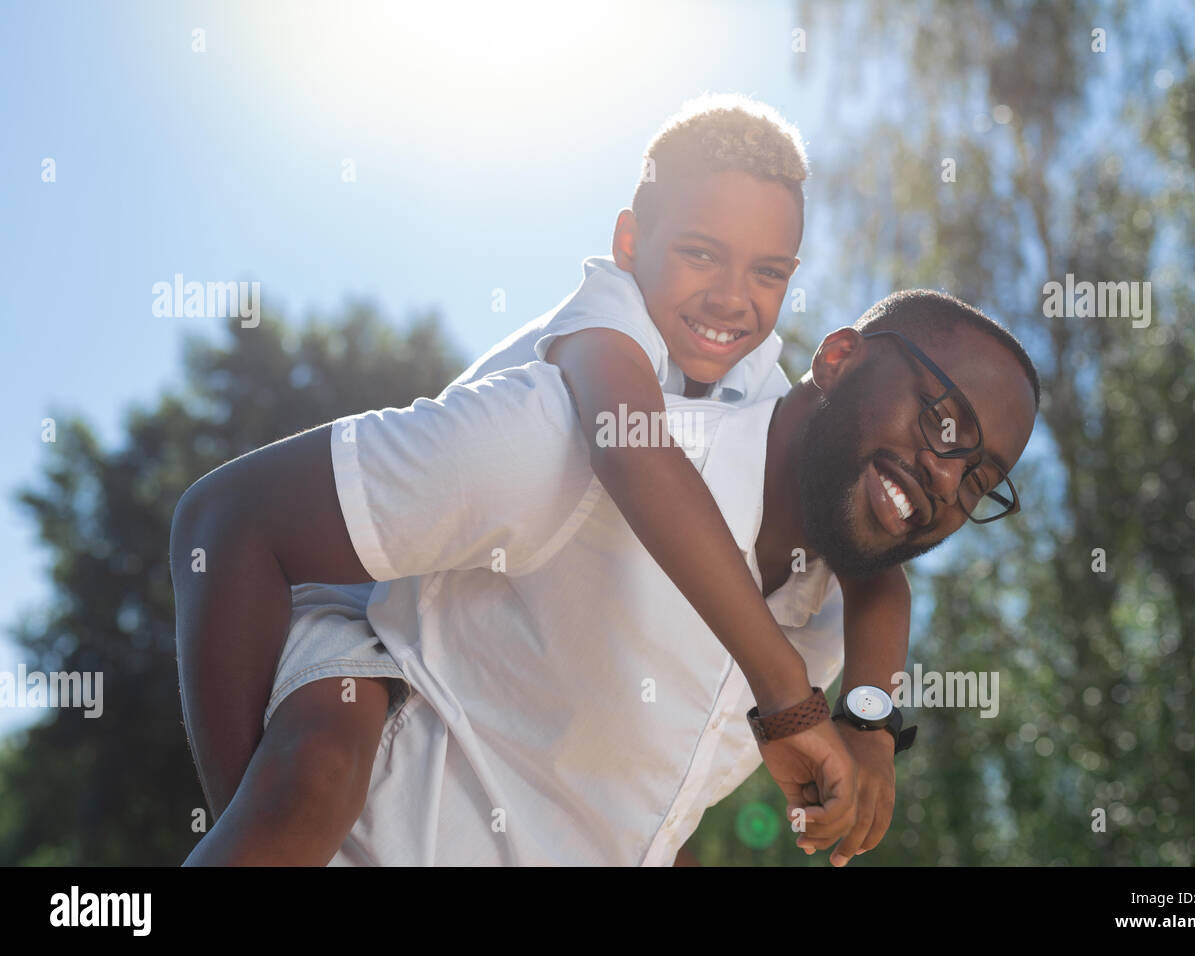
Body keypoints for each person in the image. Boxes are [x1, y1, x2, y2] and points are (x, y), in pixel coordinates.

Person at [174, 93, 914, 859]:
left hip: (482, 639)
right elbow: (631, 449)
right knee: (316, 776)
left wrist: (872, 731)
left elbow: (876, 577)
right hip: (359, 604)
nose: (732, 297)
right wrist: (789, 699)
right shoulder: (608, 316)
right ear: (630, 241)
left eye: (766, 272)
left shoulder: (759, 383)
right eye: (700, 253)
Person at [173, 289, 1041, 865]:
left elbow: (647, 809)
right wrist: (254, 825)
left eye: (981, 480)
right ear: (841, 356)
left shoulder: (832, 622)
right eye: (943, 420)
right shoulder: (599, 431)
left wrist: (874, 725)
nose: (945, 478)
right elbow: (227, 521)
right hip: (358, 666)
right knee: (315, 767)